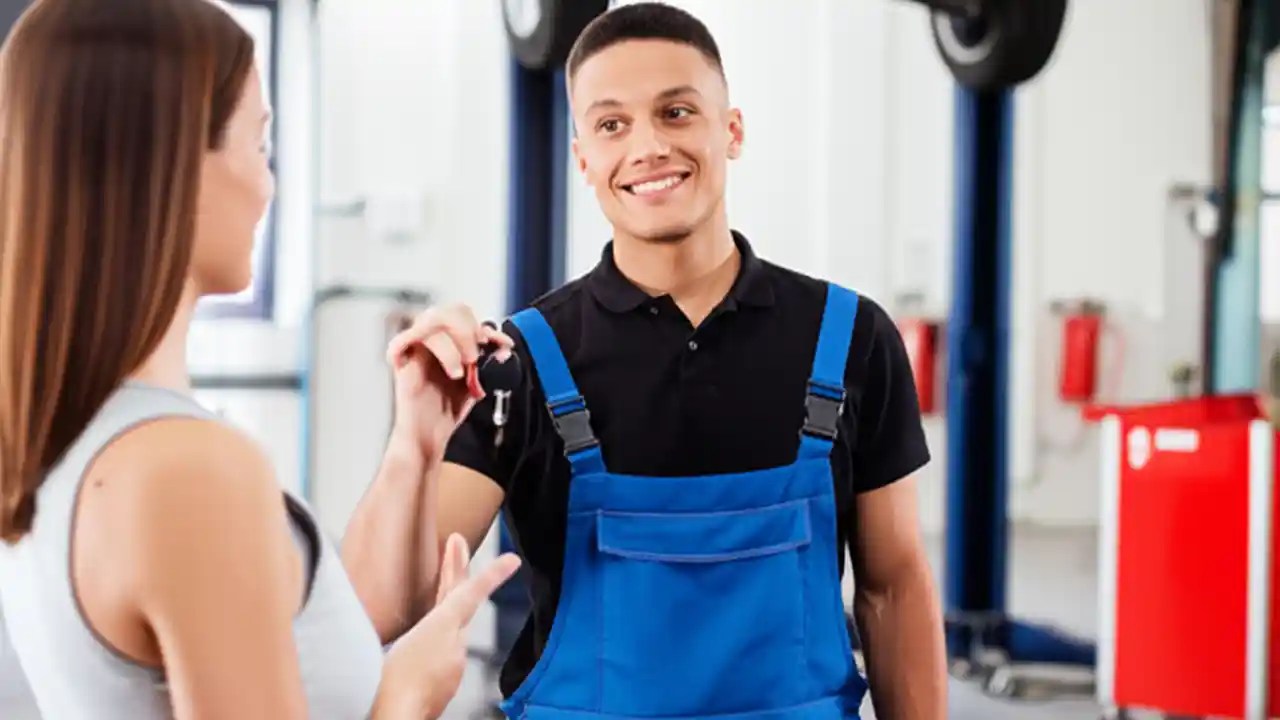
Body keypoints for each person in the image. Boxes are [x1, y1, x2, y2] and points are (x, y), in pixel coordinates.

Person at [344, 2, 948, 718]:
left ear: (732, 131)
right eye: (611, 124)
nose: (648, 146)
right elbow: (380, 613)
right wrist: (410, 447)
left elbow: (894, 585)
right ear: (584, 160)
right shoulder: (520, 363)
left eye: (677, 112)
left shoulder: (851, 340)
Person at [0, 1, 520, 718]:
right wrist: (405, 697)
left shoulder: (57, 440)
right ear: (177, 164)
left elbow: (294, 638)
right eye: (258, 144)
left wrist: (414, 449)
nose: (267, 184)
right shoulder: (187, 471)